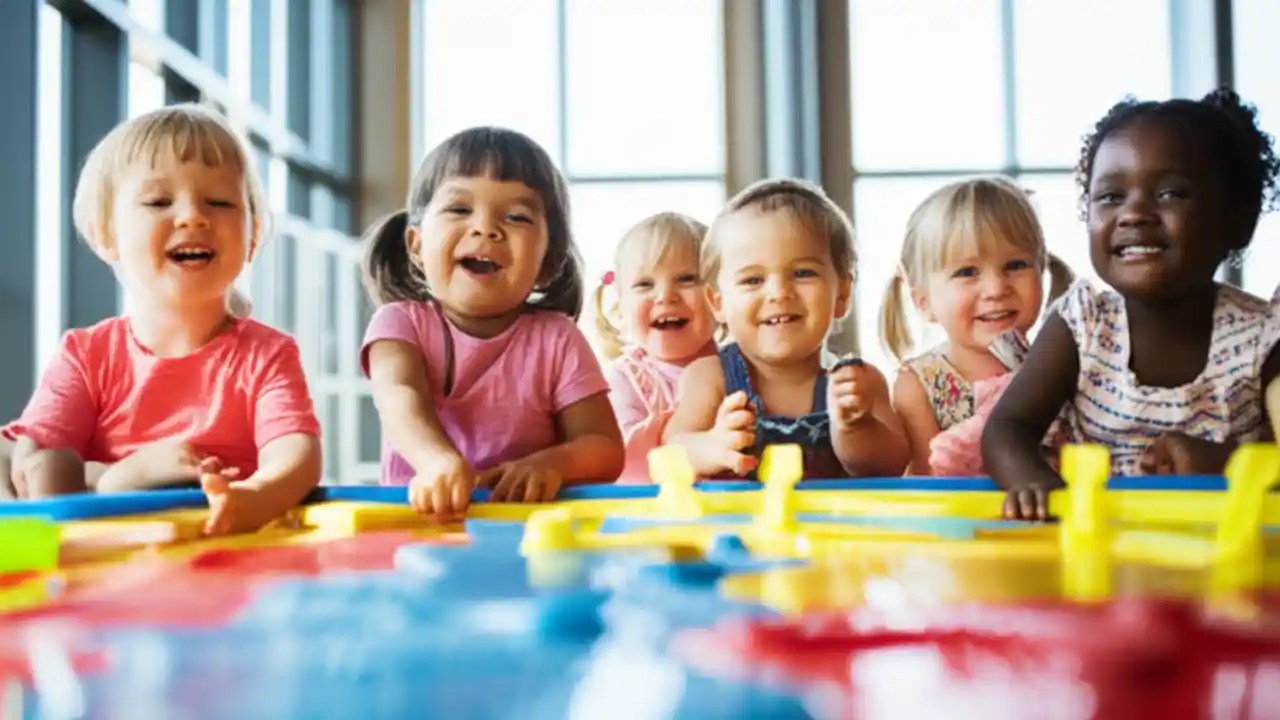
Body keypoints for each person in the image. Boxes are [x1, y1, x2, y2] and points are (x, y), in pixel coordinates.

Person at [2, 104, 322, 535]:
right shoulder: (86, 355)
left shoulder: (266, 354)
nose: (193, 215)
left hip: (224, 555)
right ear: (106, 233)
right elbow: (38, 461)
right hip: (109, 558)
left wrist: (257, 495)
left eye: (220, 201)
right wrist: (119, 478)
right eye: (158, 201)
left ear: (254, 236)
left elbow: (295, 452)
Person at [983, 89, 1280, 520]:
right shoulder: (1080, 324)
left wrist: (1224, 465)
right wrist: (1035, 483)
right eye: (1111, 197)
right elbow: (1008, 427)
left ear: (1238, 221)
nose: (1134, 213)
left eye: (1171, 193)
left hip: (1231, 564)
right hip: (1102, 557)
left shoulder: (1264, 337)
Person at [361, 127, 624, 521]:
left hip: (534, 531)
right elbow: (399, 397)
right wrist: (436, 460)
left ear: (549, 262)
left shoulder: (559, 339)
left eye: (517, 216)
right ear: (415, 245)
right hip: (420, 527)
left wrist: (552, 464)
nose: (486, 228)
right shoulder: (399, 324)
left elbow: (604, 447)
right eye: (459, 209)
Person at [663, 178, 909, 480]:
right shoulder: (712, 377)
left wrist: (854, 428)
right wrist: (713, 444)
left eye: (803, 273)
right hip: (740, 526)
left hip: (835, 527)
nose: (779, 292)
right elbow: (671, 451)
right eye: (753, 280)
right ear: (718, 303)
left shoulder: (857, 381)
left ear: (843, 293)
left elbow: (892, 464)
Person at [880, 176, 1072, 475]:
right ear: (923, 300)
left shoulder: (1060, 364)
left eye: (1016, 265)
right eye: (967, 272)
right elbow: (929, 486)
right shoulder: (919, 384)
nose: (996, 288)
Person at [594, 212, 718, 484]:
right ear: (621, 305)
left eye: (687, 279)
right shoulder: (621, 381)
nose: (665, 296)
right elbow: (625, 466)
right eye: (644, 284)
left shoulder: (743, 368)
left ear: (718, 296)